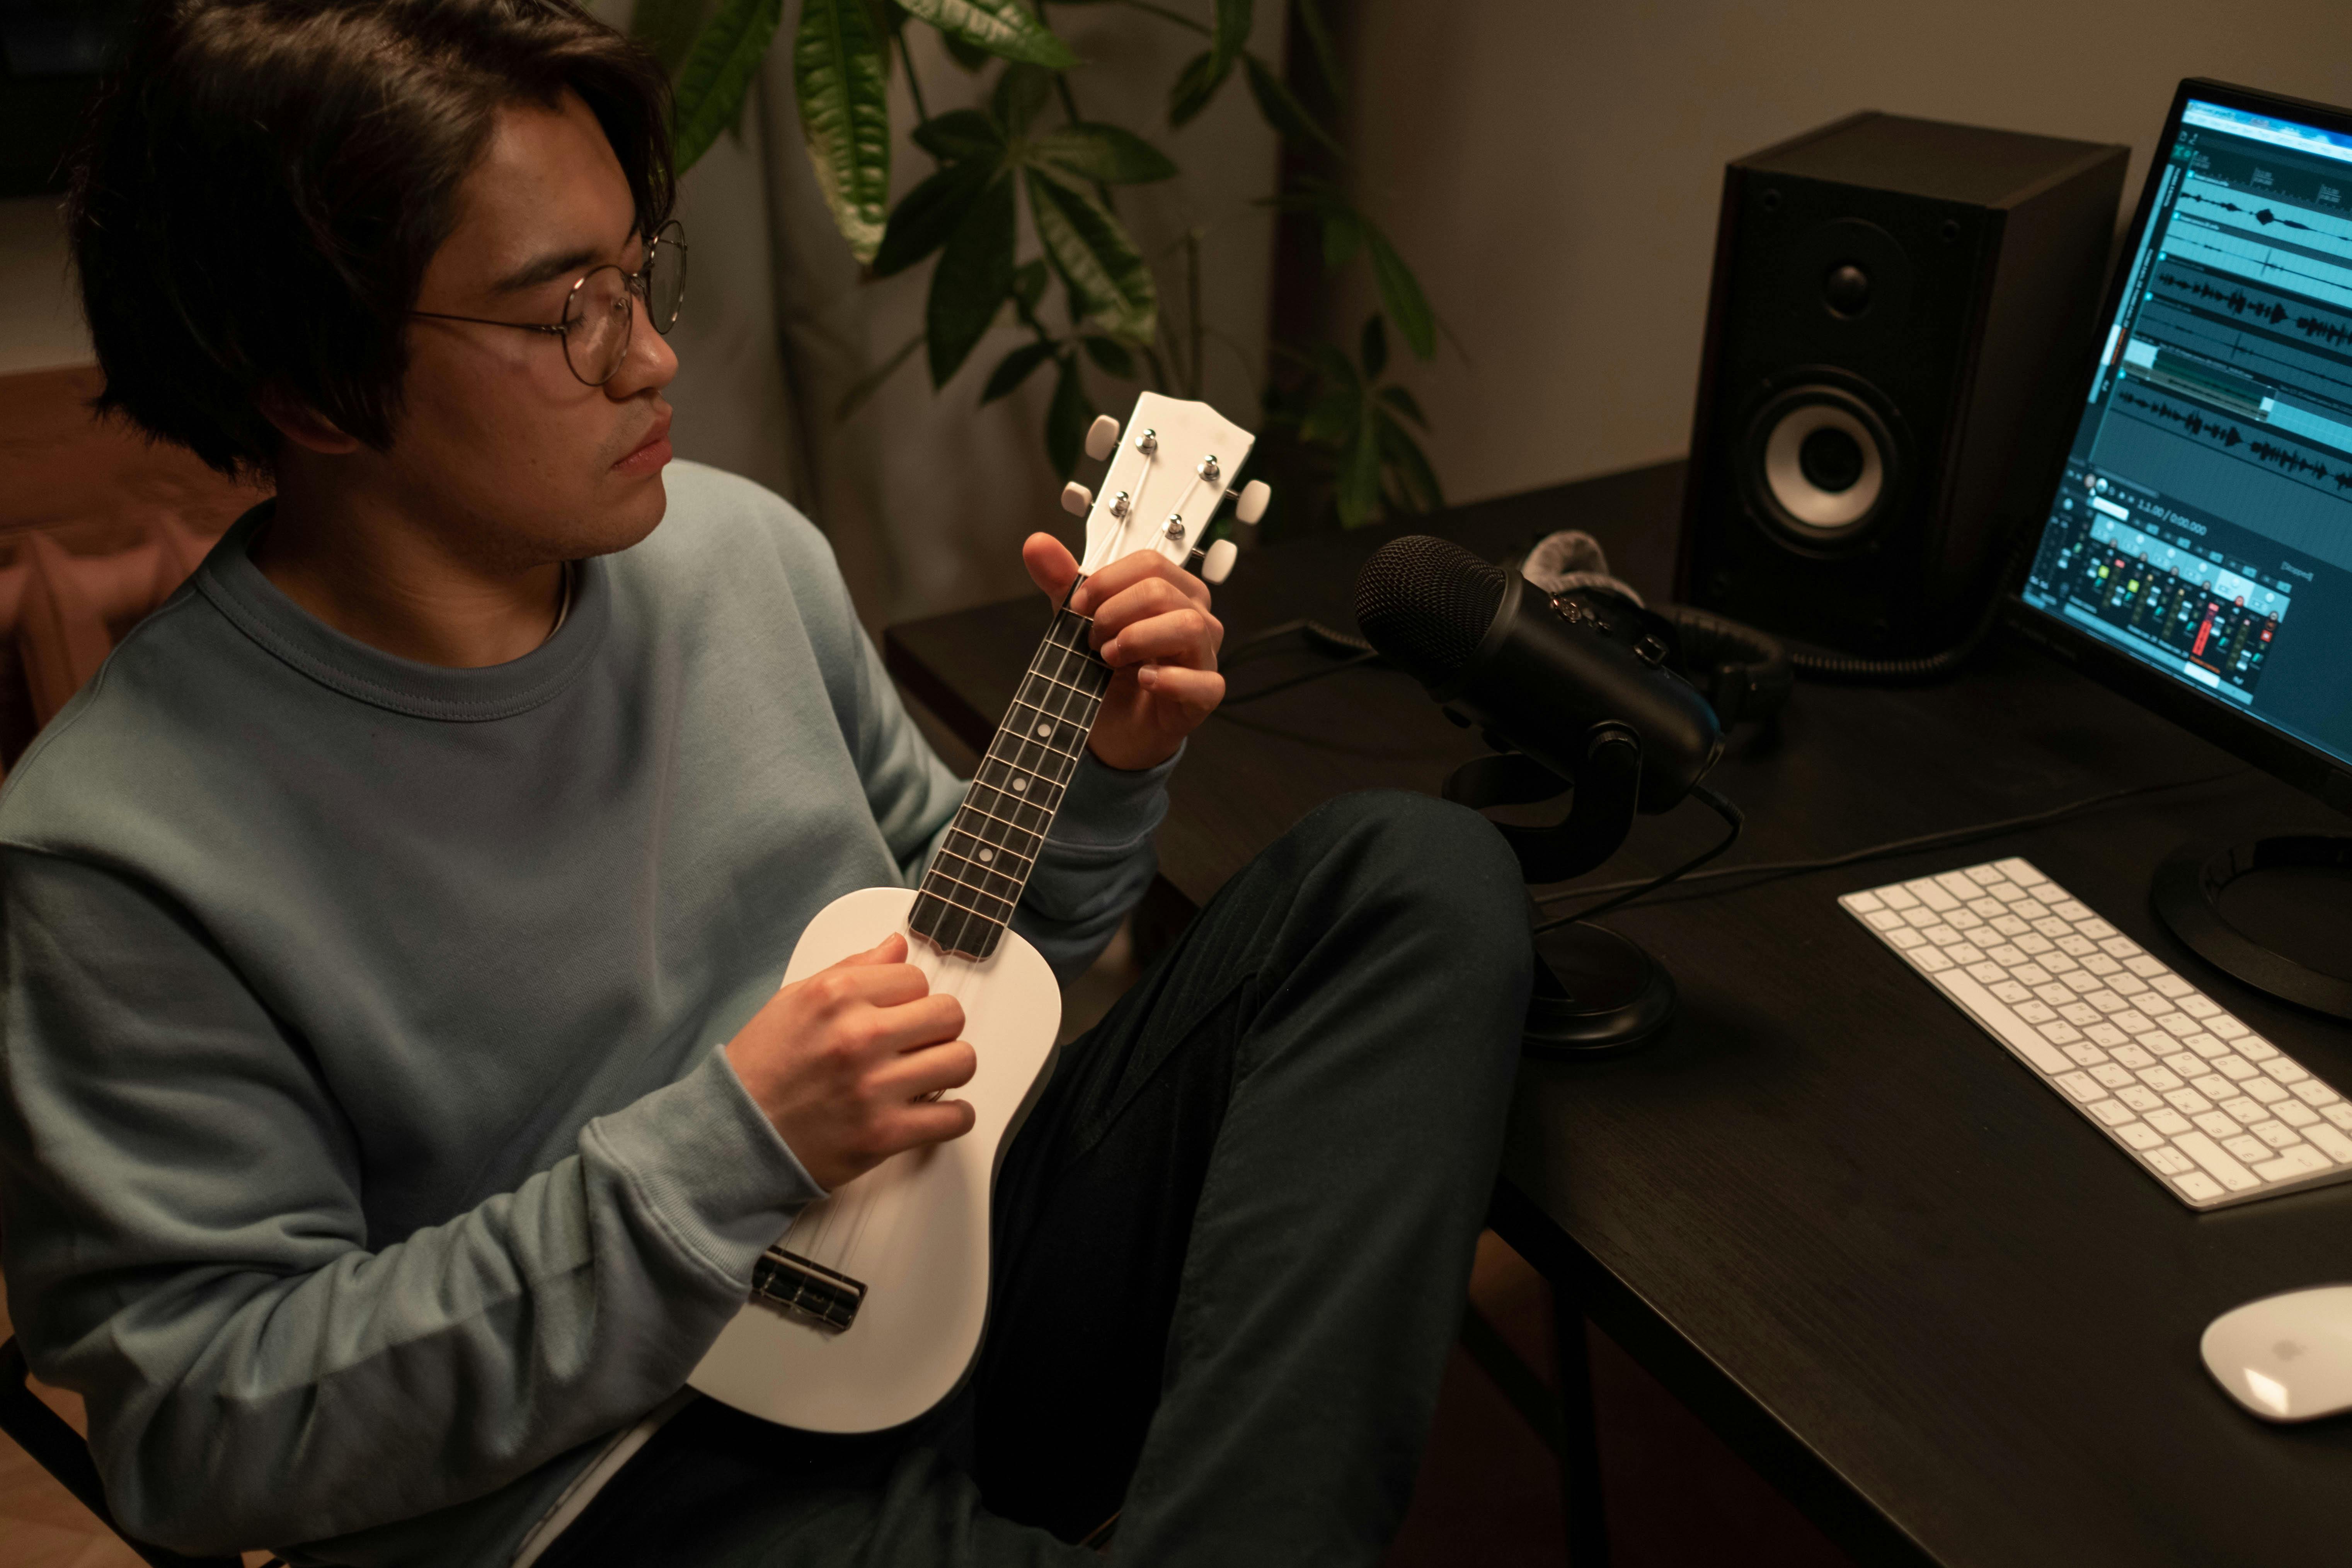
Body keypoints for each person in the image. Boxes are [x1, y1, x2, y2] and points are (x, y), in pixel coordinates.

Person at [0, 3, 1534, 1565]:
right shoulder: (112, 848)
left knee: (1409, 875)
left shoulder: (735, 552)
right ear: (314, 391)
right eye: (563, 314)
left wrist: (1105, 775)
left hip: (952, 1263)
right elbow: (201, 1434)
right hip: (613, 1482)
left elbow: (970, 976)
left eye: (637, 271)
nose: (651, 354)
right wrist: (732, 1148)